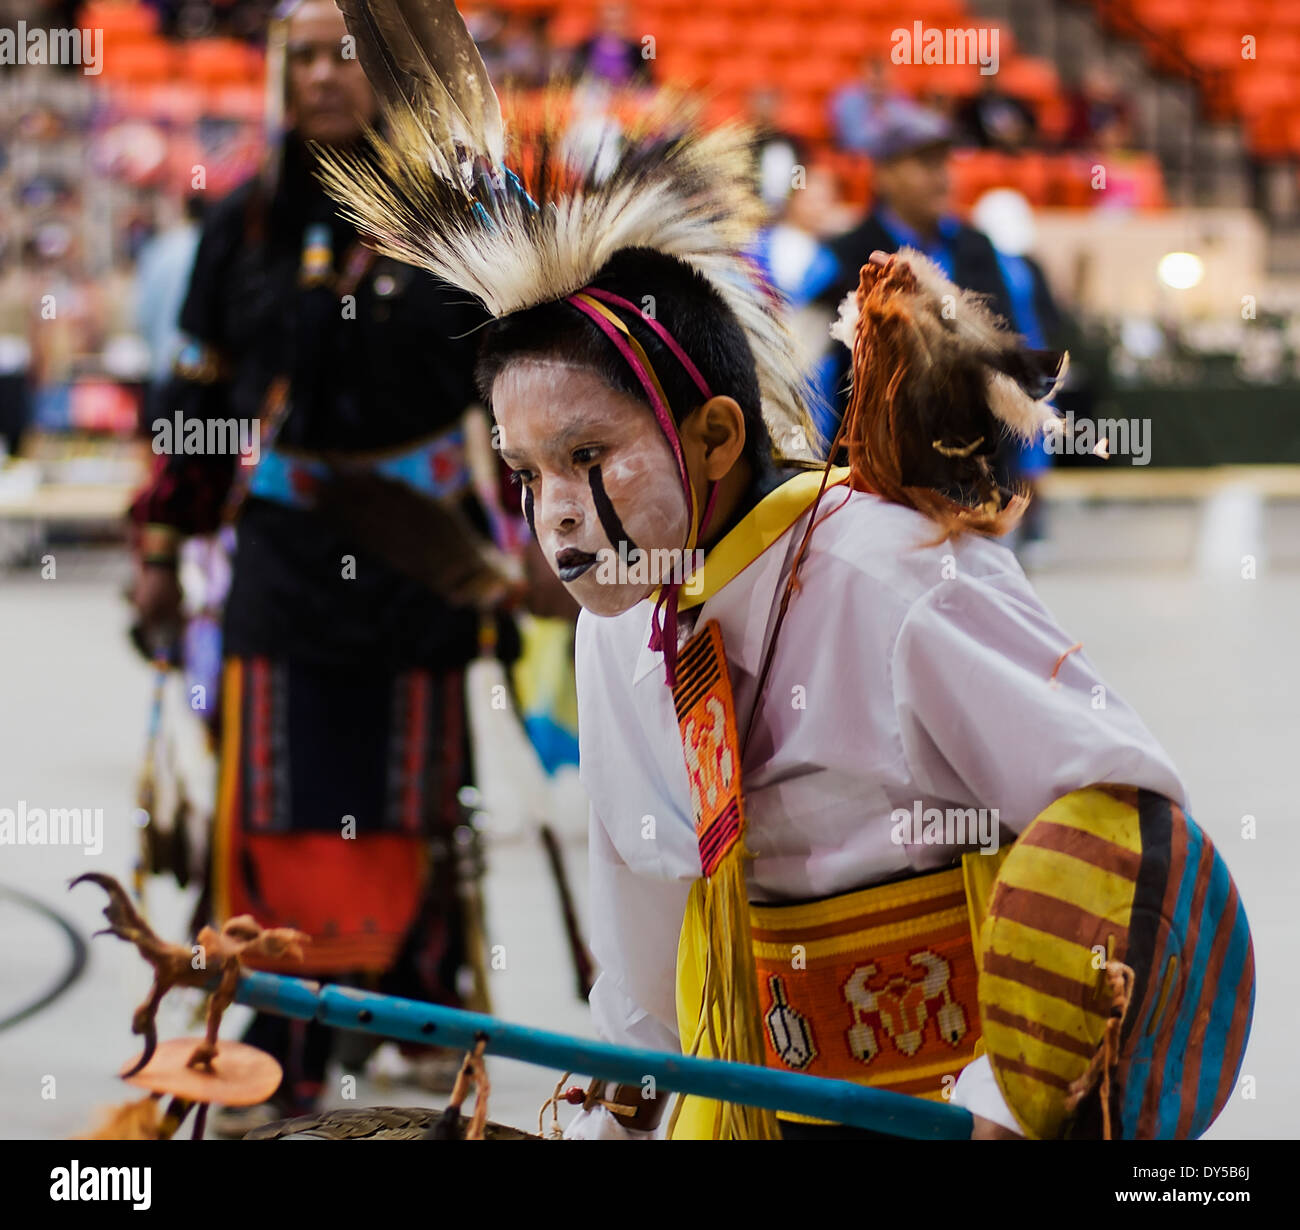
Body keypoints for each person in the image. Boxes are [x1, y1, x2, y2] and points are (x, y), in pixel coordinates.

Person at [322, 0, 1254, 1141]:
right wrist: (611, 1115)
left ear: (716, 439)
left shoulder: (892, 576)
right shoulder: (620, 629)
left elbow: (1124, 817)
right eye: (522, 472)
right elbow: (645, 954)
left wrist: (1002, 1112)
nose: (554, 516)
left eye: (588, 457)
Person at [127, 0, 520, 1130]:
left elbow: (523, 393)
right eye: (301, 55)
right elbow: (195, 401)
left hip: (421, 555)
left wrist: (550, 537)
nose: (321, 74)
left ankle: (406, 1011)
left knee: (409, 801)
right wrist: (161, 543)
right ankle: (284, 1033)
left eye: (345, 51)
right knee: (276, 798)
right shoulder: (245, 227)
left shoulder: (463, 221)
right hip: (287, 557)